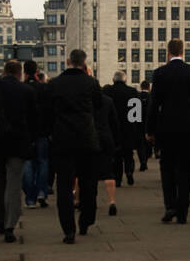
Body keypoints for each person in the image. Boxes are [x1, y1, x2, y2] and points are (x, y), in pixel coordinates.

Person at [44, 49, 101, 244]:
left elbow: (47, 113)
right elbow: (99, 108)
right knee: (88, 183)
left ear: (68, 61)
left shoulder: (55, 84)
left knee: (64, 186)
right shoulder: (91, 83)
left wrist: (51, 133)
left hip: (63, 139)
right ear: (84, 63)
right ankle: (86, 220)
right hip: (86, 139)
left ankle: (68, 229)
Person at [146, 39, 190, 223]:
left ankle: (170, 205)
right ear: (183, 51)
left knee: (168, 167)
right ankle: (183, 209)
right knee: (186, 169)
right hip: (189, 127)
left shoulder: (160, 73)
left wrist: (150, 129)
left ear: (168, 52)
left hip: (167, 127)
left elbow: (154, 104)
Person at [0, 59, 36, 243]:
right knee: (14, 183)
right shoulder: (27, 91)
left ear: (3, 71)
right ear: (19, 73)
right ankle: (11, 225)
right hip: (18, 142)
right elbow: (34, 119)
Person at [82, 90, 121, 232]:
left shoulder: (84, 101)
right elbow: (114, 122)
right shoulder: (108, 101)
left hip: (89, 138)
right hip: (106, 138)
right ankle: (112, 201)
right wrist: (116, 141)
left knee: (86, 172)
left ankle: (80, 200)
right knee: (108, 171)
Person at [21, 60, 52, 209]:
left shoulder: (22, 88)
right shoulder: (44, 88)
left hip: (26, 132)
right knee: (43, 162)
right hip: (42, 132)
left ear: (24, 72)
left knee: (28, 163)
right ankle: (41, 191)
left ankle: (30, 197)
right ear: (36, 71)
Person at [103, 71, 140, 187]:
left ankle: (117, 179)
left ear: (113, 80)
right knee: (128, 153)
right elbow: (137, 114)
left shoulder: (107, 92)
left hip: (112, 128)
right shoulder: (132, 92)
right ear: (125, 80)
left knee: (116, 155)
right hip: (129, 127)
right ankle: (129, 171)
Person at [136, 80, 152, 171]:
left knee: (140, 144)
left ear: (141, 87)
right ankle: (146, 158)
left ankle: (142, 161)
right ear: (149, 88)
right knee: (148, 143)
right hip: (149, 123)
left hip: (139, 123)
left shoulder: (136, 97)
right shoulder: (152, 97)